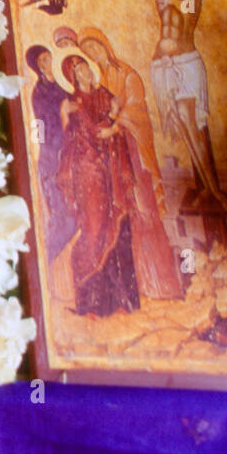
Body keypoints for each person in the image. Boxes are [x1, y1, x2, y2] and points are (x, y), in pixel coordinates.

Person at [73, 0, 227, 212]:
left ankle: (215, 190)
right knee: (184, 128)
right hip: (161, 64)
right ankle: (207, 189)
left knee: (195, 126)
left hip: (186, 61)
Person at [76, 27, 184, 300]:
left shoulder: (127, 75)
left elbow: (138, 110)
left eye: (96, 48)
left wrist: (114, 128)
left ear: (106, 46)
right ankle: (142, 285)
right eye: (88, 53)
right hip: (118, 158)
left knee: (146, 210)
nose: (94, 55)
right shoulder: (101, 82)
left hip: (135, 154)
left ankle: (163, 284)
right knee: (130, 218)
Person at [56, 55, 140, 318]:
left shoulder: (107, 96)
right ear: (73, 78)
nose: (85, 73)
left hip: (109, 168)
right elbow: (72, 137)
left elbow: (119, 125)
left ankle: (117, 300)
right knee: (93, 227)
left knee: (116, 226)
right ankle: (87, 296)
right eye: (78, 71)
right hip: (87, 170)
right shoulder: (72, 104)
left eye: (85, 68)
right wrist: (64, 116)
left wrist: (113, 128)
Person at [24, 44, 73, 260]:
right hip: (53, 148)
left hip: (72, 144)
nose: (47, 63)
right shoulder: (39, 92)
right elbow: (39, 123)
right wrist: (43, 148)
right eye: (42, 61)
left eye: (48, 58)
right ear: (37, 67)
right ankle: (49, 253)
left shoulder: (65, 84)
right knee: (60, 205)